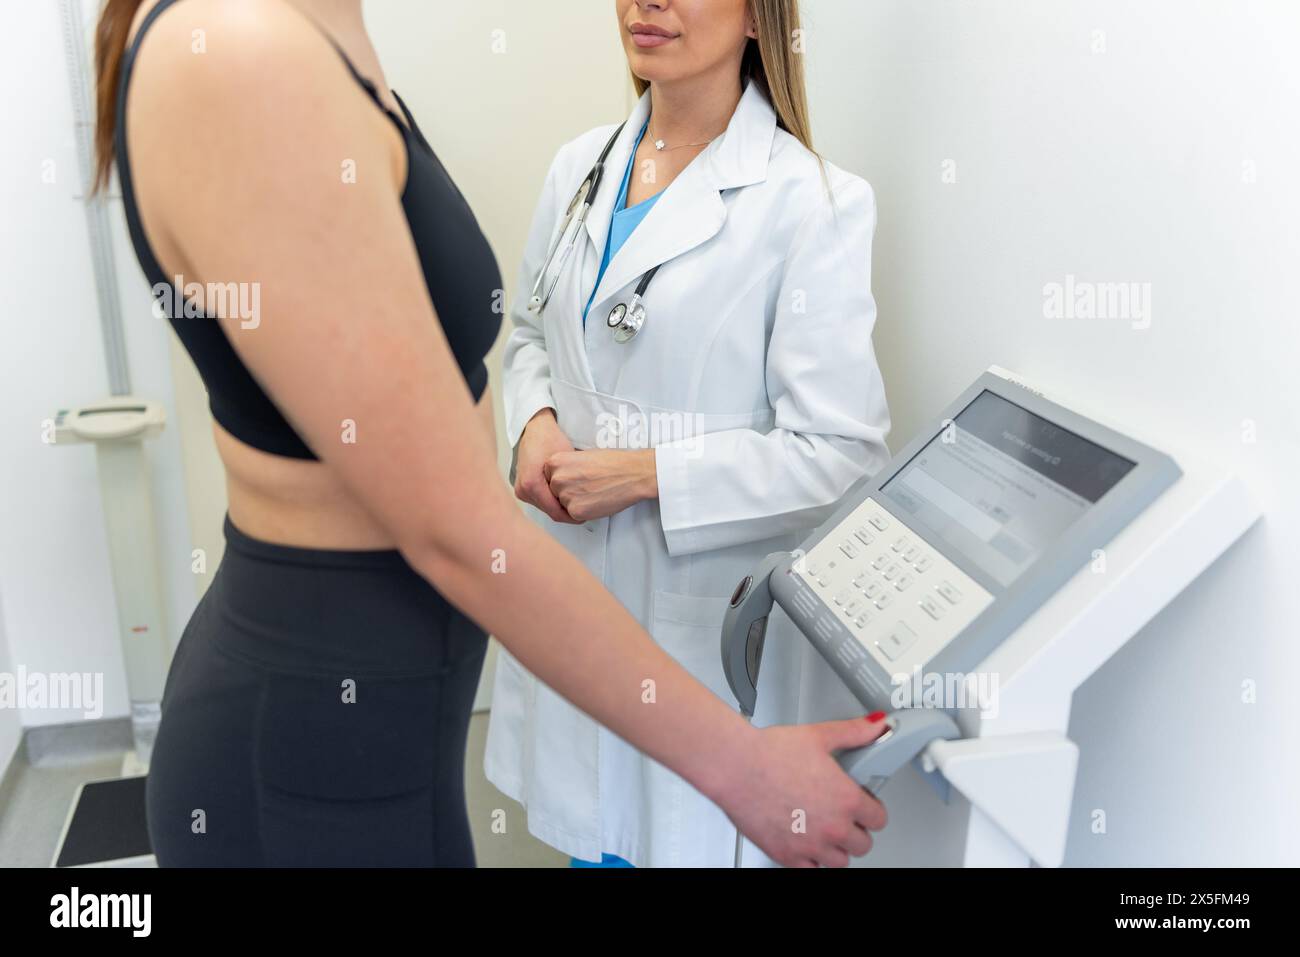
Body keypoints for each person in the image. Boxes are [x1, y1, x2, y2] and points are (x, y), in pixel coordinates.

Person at [92, 0, 888, 867]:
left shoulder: (329, 34)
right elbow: (458, 510)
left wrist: (646, 470)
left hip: (405, 725)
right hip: (311, 728)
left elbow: (836, 444)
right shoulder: (243, 50)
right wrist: (742, 765)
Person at [487, 0, 890, 866]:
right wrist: (534, 427)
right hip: (570, 609)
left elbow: (839, 449)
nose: (648, 1)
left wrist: (645, 474)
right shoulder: (578, 169)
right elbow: (526, 339)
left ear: (759, 20)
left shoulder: (811, 203)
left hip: (689, 638)